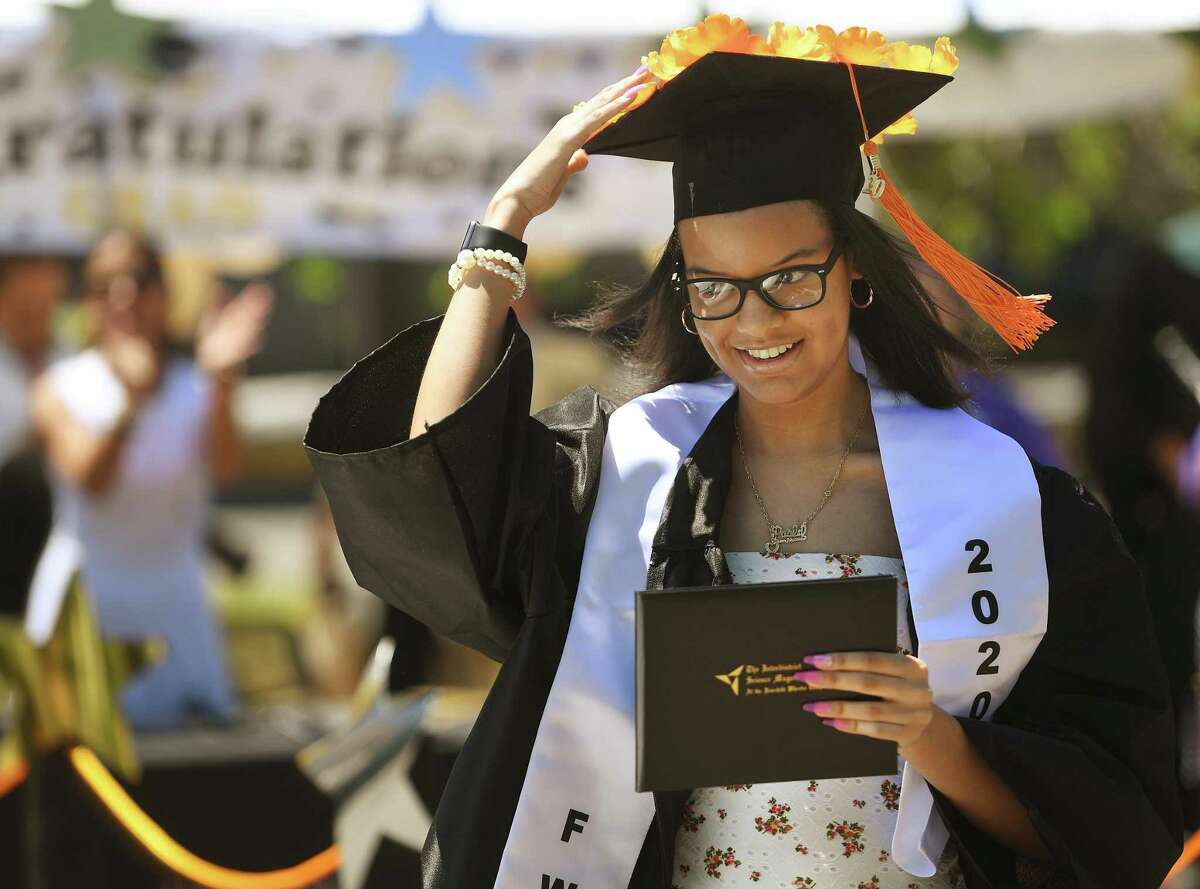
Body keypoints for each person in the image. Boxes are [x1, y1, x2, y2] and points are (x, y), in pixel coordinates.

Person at [304, 16, 1181, 889]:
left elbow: (1110, 825)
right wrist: (501, 229)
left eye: (792, 278)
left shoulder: (1003, 502)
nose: (755, 322)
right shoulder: (627, 475)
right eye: (715, 288)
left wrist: (934, 736)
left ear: (854, 271)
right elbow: (434, 494)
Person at [31, 230, 273, 729]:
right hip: (86, 618)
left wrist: (223, 382)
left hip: (176, 617)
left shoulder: (198, 386)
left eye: (139, 281)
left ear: (164, 295)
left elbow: (226, 471)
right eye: (104, 285)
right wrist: (131, 401)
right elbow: (91, 481)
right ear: (87, 302)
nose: (124, 297)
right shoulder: (59, 387)